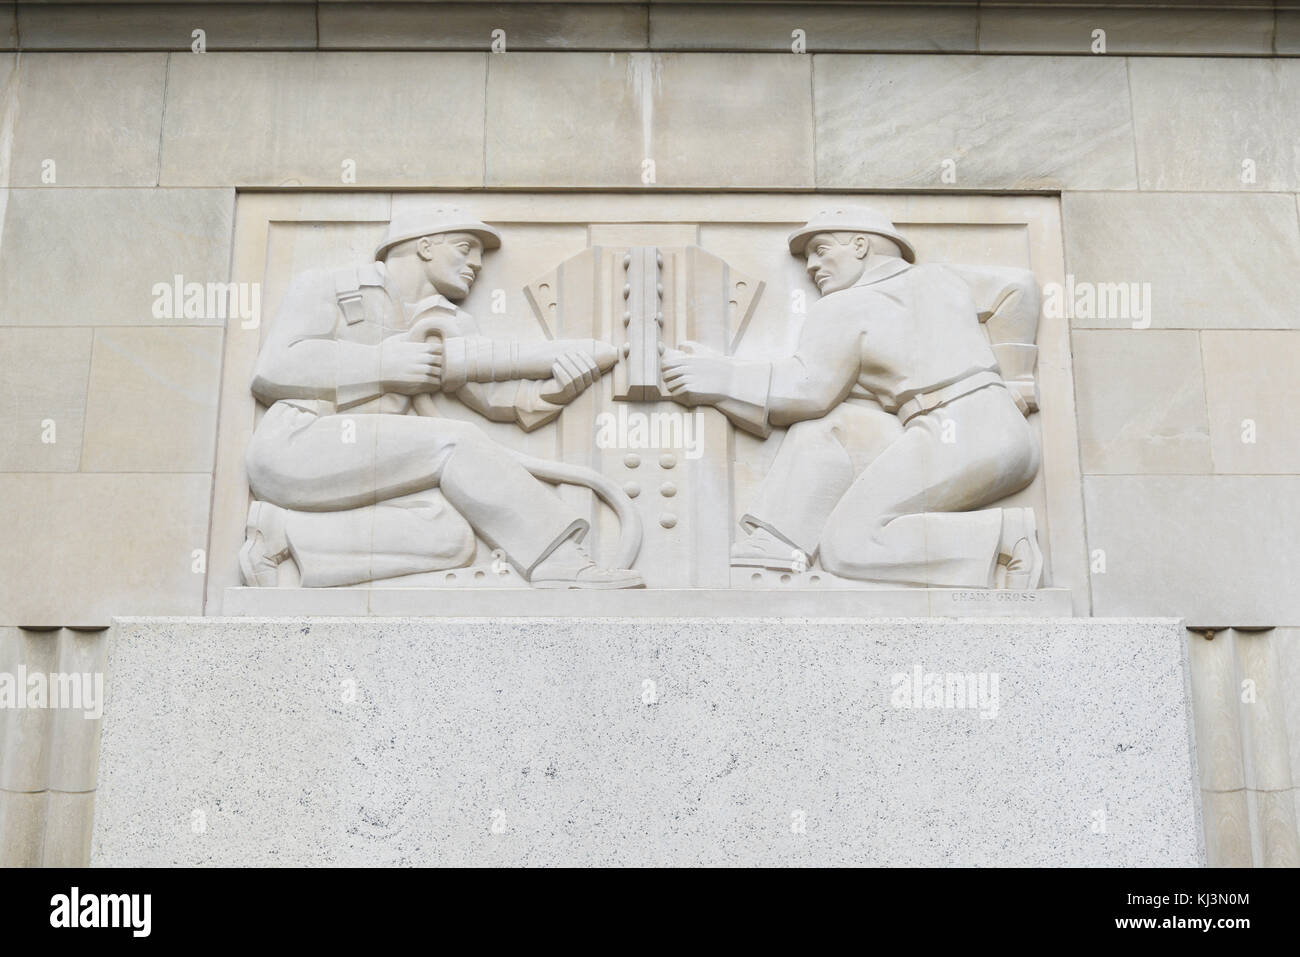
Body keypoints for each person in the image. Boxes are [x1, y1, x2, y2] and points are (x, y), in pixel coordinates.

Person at [240, 208, 642, 589]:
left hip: (374, 464)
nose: (478, 265)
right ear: (425, 246)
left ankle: (281, 533)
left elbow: (497, 398)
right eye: (465, 249)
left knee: (450, 538)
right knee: (455, 441)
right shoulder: (329, 285)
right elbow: (275, 368)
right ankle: (558, 561)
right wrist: (381, 364)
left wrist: (557, 389)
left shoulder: (450, 322)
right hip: (297, 442)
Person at [661, 205, 1043, 589]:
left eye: (821, 249)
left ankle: (1007, 535)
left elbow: (808, 389)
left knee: (848, 545)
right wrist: (1016, 378)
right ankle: (779, 543)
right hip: (975, 428)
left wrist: (722, 376)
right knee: (828, 428)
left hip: (960, 436)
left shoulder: (845, 305)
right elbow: (1019, 287)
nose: (811, 266)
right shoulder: (944, 276)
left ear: (860, 245)